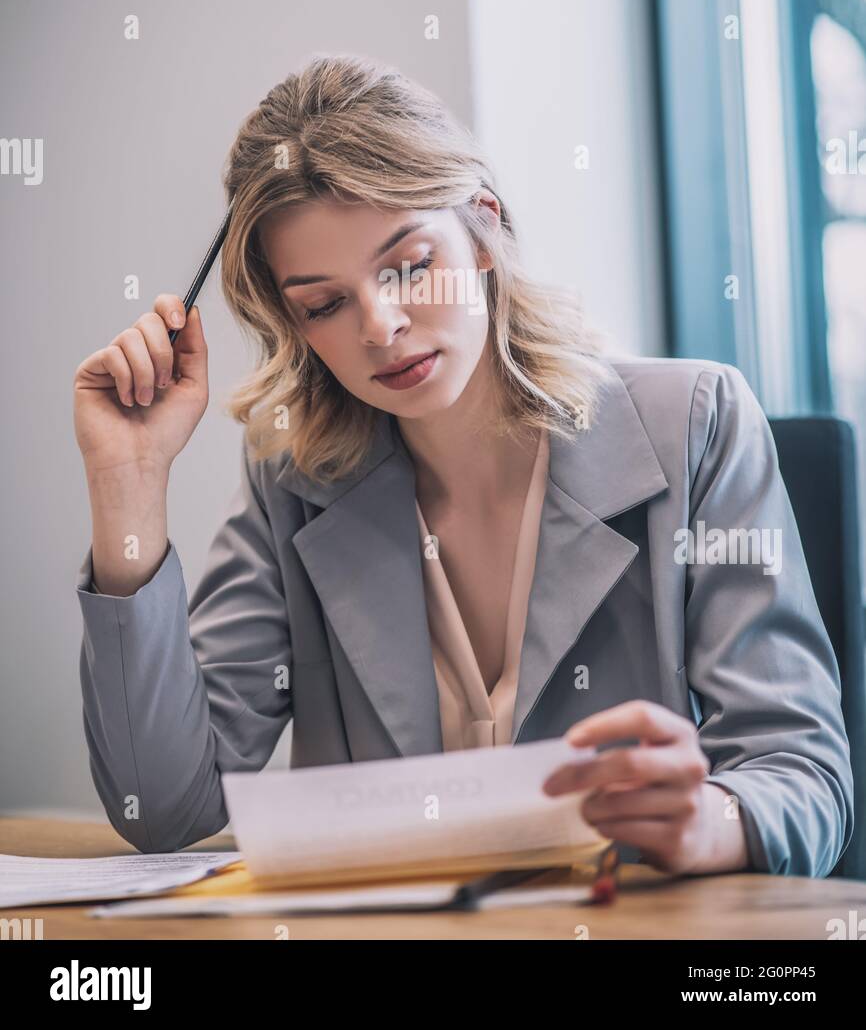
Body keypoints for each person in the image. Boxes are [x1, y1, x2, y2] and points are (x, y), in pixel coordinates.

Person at [73, 54, 854, 877]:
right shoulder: (293, 483)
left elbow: (803, 776)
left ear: (482, 228)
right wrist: (127, 485)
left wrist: (710, 820)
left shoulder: (697, 424)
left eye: (408, 264)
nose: (379, 326)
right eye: (325, 304)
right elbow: (162, 807)